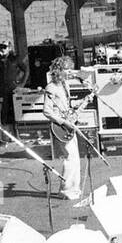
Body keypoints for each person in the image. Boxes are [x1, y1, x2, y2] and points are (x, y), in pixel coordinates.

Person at [42, 56, 85, 204]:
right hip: (60, 127)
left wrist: (82, 101)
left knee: (75, 157)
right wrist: (63, 122)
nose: (69, 72)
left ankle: (74, 188)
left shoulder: (65, 85)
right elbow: (47, 111)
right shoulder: (51, 87)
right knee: (70, 158)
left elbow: (67, 104)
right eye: (66, 69)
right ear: (58, 70)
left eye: (70, 69)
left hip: (68, 125)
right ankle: (66, 190)